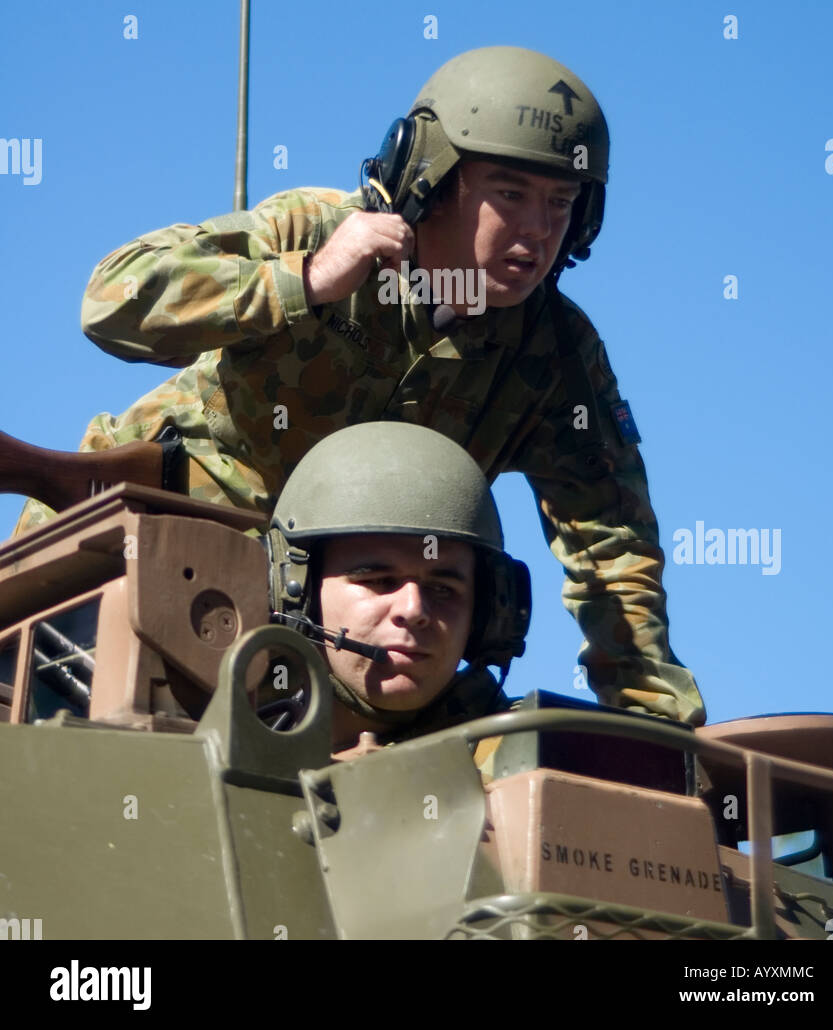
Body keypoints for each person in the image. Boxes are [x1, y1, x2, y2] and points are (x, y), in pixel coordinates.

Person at [12, 45, 706, 726]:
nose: (536, 230)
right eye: (509, 193)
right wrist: (304, 280)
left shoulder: (556, 354)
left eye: (561, 202)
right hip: (140, 575)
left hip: (338, 643)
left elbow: (612, 544)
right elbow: (112, 300)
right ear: (432, 177)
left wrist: (658, 725)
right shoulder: (319, 228)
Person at [264, 420, 530, 753]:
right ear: (295, 595)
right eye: (380, 582)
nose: (413, 610)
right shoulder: (218, 731)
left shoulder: (530, 757)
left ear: (487, 617)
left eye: (443, 589)